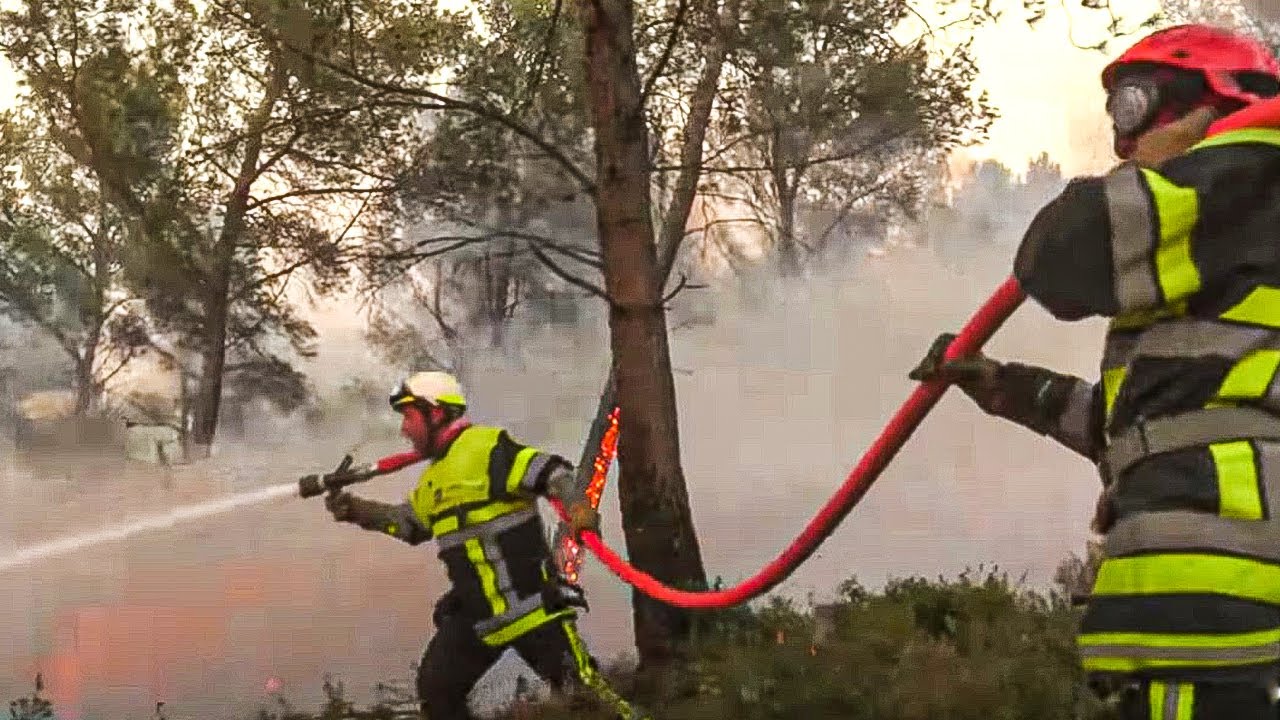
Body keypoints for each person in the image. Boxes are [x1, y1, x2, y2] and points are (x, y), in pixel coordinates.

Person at [909, 24, 1280, 720]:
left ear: (1210, 104)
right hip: (1193, 635)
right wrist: (1004, 385)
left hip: (1220, 630)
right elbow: (1146, 428)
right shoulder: (1211, 251)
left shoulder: (1248, 182)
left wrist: (1161, 167)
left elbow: (1064, 251)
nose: (1121, 141)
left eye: (1134, 109)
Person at [315, 370, 643, 720]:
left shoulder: (487, 448)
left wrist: (579, 508)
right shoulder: (434, 478)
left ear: (436, 413)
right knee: (437, 692)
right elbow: (411, 525)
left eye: (409, 416)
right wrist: (354, 510)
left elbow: (552, 472)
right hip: (476, 619)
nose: (404, 429)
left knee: (591, 700)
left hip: (533, 609)